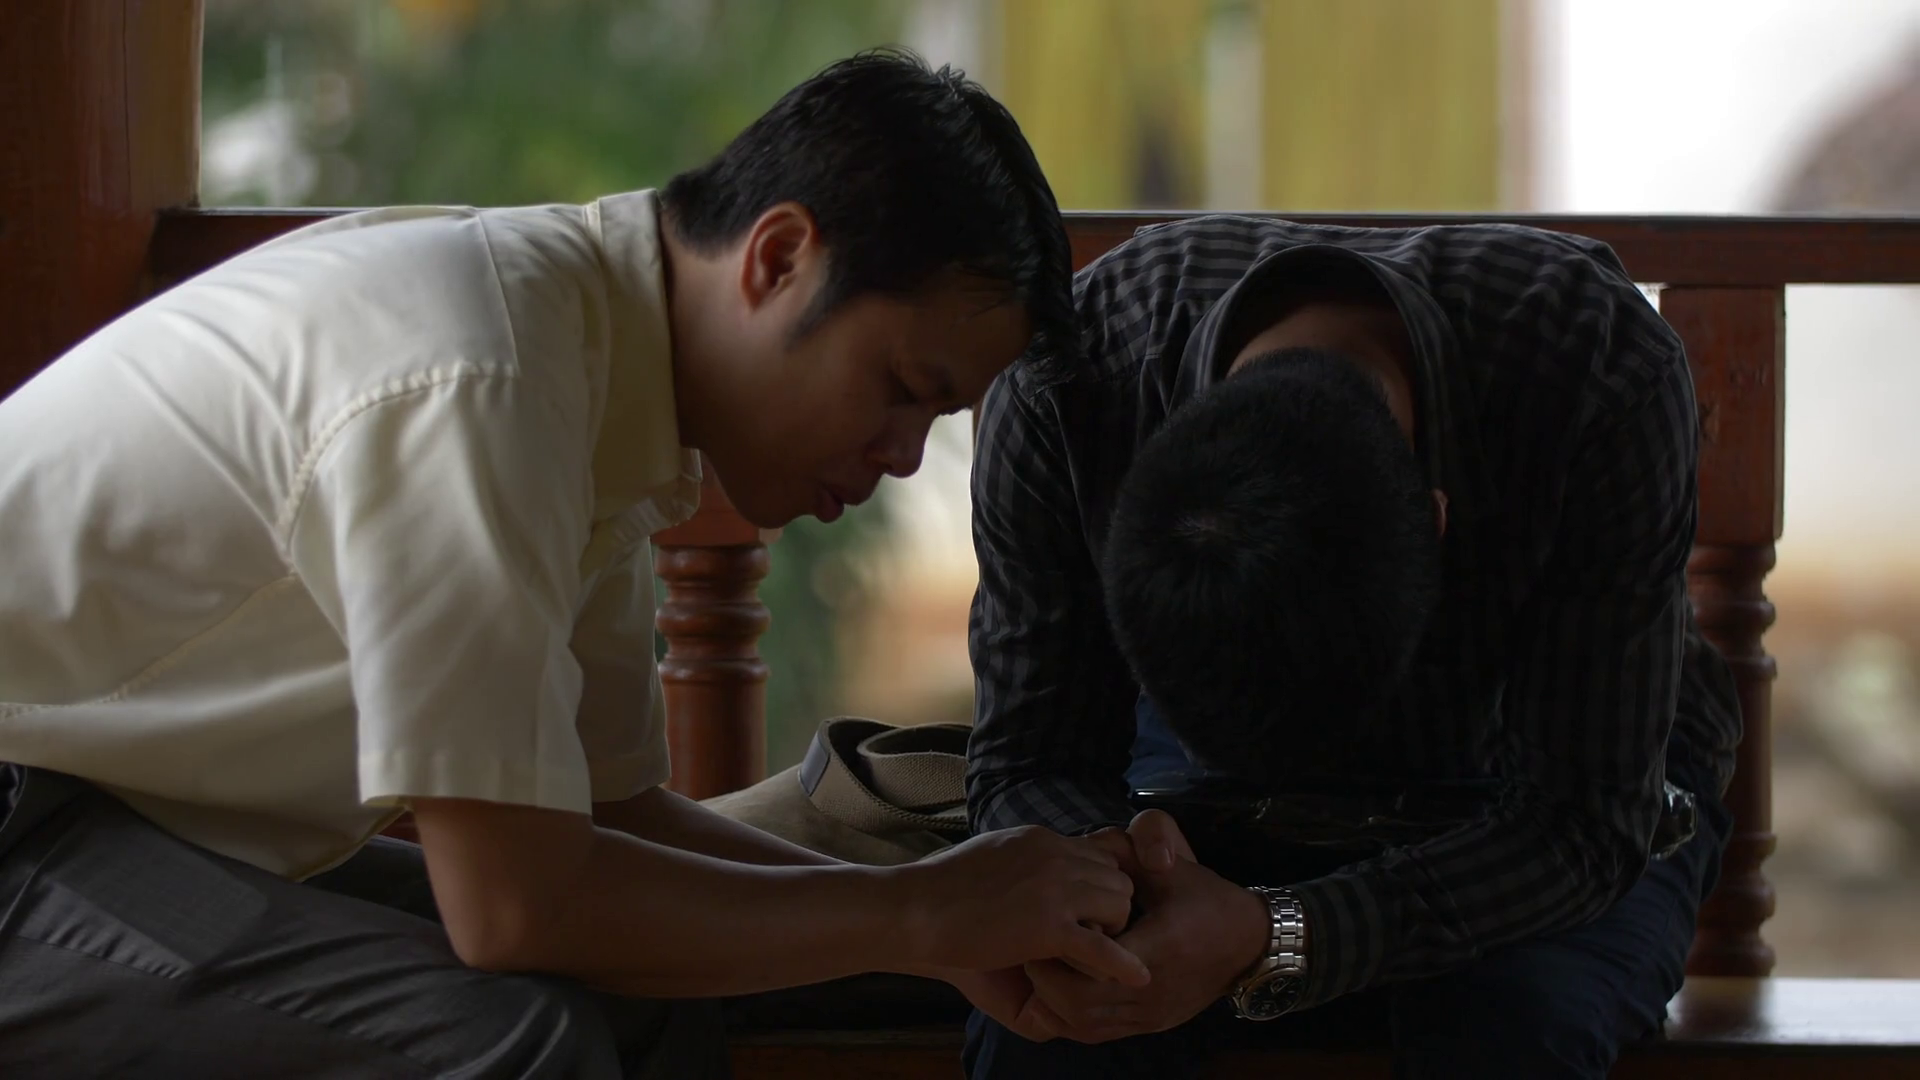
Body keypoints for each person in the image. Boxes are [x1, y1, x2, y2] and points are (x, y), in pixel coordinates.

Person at [0, 51, 1148, 1079]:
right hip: (29, 811)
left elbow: (612, 815)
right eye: (904, 391)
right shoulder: (483, 379)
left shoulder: (592, 354)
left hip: (105, 814)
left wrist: (929, 925)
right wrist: (916, 918)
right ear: (781, 256)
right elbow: (516, 910)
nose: (903, 459)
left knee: (659, 1007)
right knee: (517, 1046)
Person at [964, 217, 1746, 1078]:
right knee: (1058, 1025)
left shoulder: (1594, 363)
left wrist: (1277, 935)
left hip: (1547, 768)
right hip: (1186, 786)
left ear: (1439, 523)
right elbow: (1027, 761)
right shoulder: (1073, 388)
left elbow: (1582, 823)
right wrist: (1124, 876)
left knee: (1517, 1034)